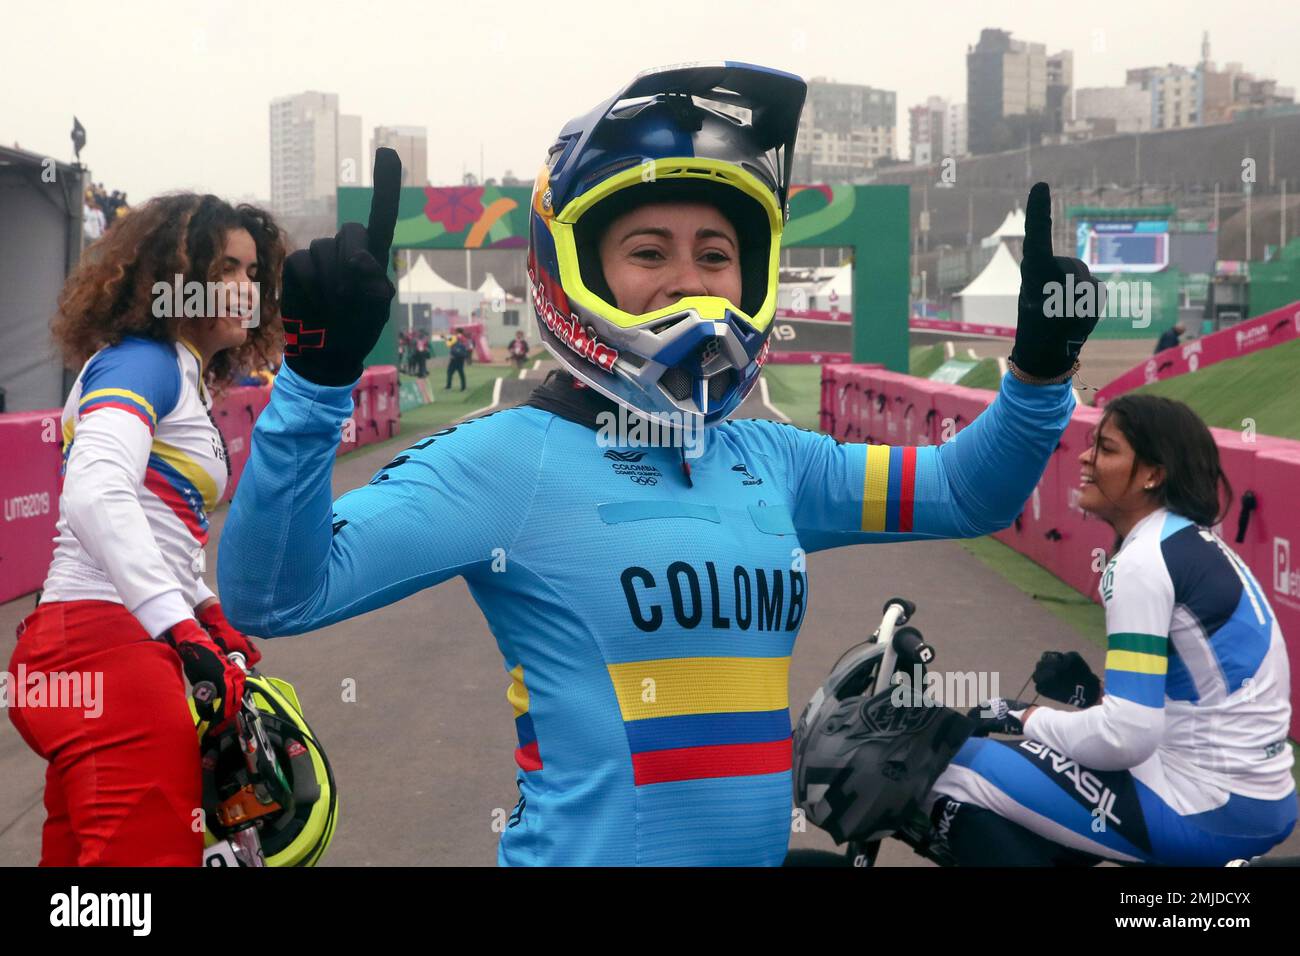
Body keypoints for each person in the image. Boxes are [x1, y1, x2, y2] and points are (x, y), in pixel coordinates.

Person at [218, 64, 1099, 866]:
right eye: (649, 251)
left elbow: (966, 492)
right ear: (574, 266)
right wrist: (314, 383)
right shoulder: (508, 460)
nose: (690, 280)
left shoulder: (772, 458)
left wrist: (1040, 374)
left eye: (716, 254)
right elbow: (277, 595)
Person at [7, 193, 284, 866]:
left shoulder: (179, 372)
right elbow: (97, 496)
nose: (247, 289)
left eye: (253, 273)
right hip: (105, 644)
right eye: (226, 269)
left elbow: (161, 528)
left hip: (105, 640)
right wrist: (177, 625)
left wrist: (204, 609)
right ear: (173, 279)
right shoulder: (144, 362)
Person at [928, 393, 1296, 866]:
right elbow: (1187, 706)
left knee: (949, 770)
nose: (1084, 457)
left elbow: (1127, 736)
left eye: (1106, 448)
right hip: (1254, 796)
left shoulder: (1142, 562)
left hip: (1208, 806)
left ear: (1152, 474)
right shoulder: (1185, 540)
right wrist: (1094, 696)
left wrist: (1023, 718)